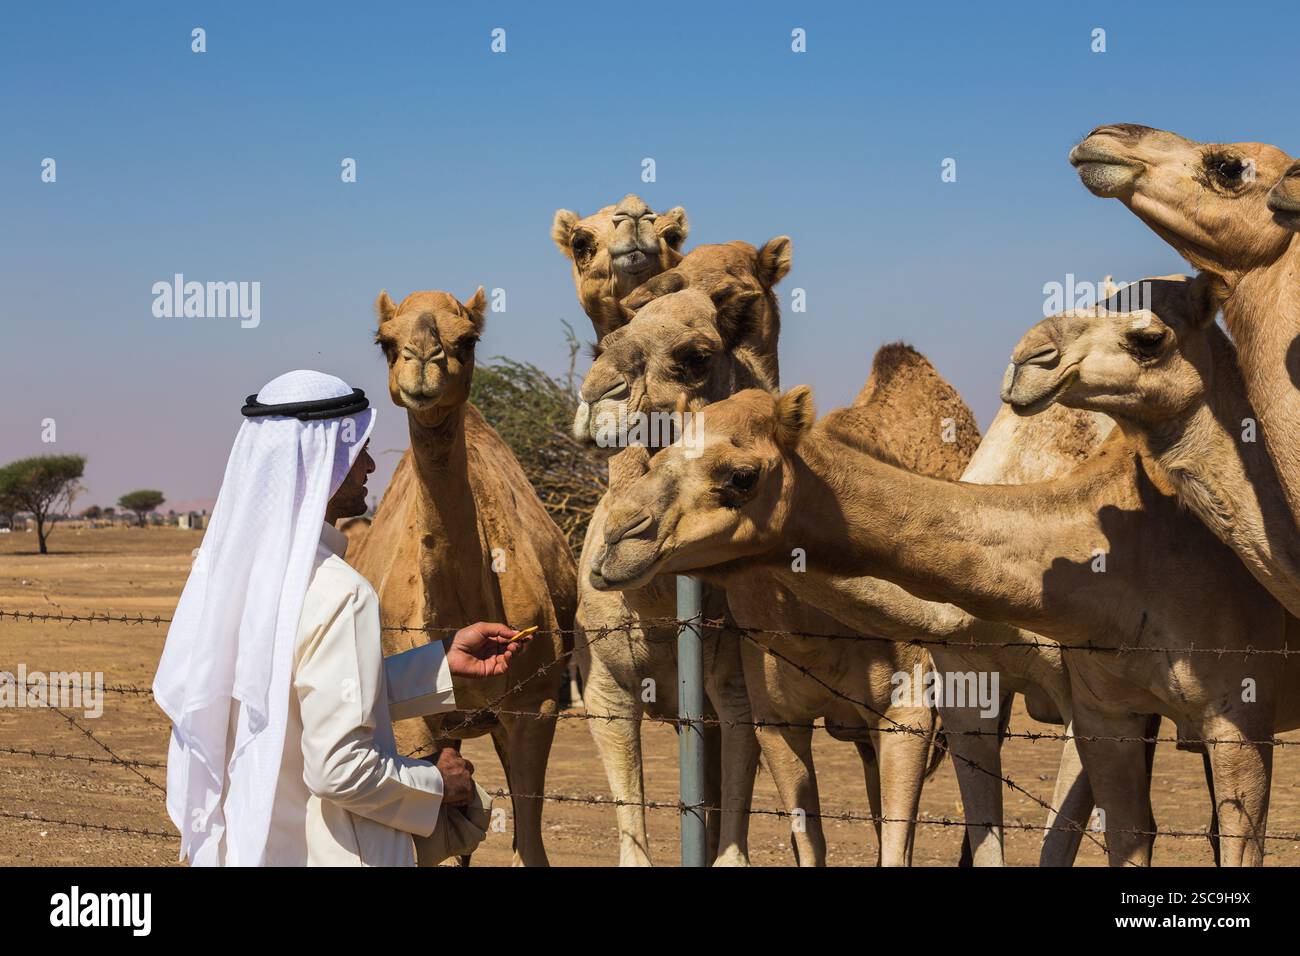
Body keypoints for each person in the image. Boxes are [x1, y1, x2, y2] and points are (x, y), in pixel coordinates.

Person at [153, 370, 524, 866]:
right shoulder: (340, 592)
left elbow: (288, 693)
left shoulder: (237, 576)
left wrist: (438, 666)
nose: (369, 464)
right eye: (357, 452)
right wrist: (438, 783)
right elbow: (340, 771)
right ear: (322, 459)